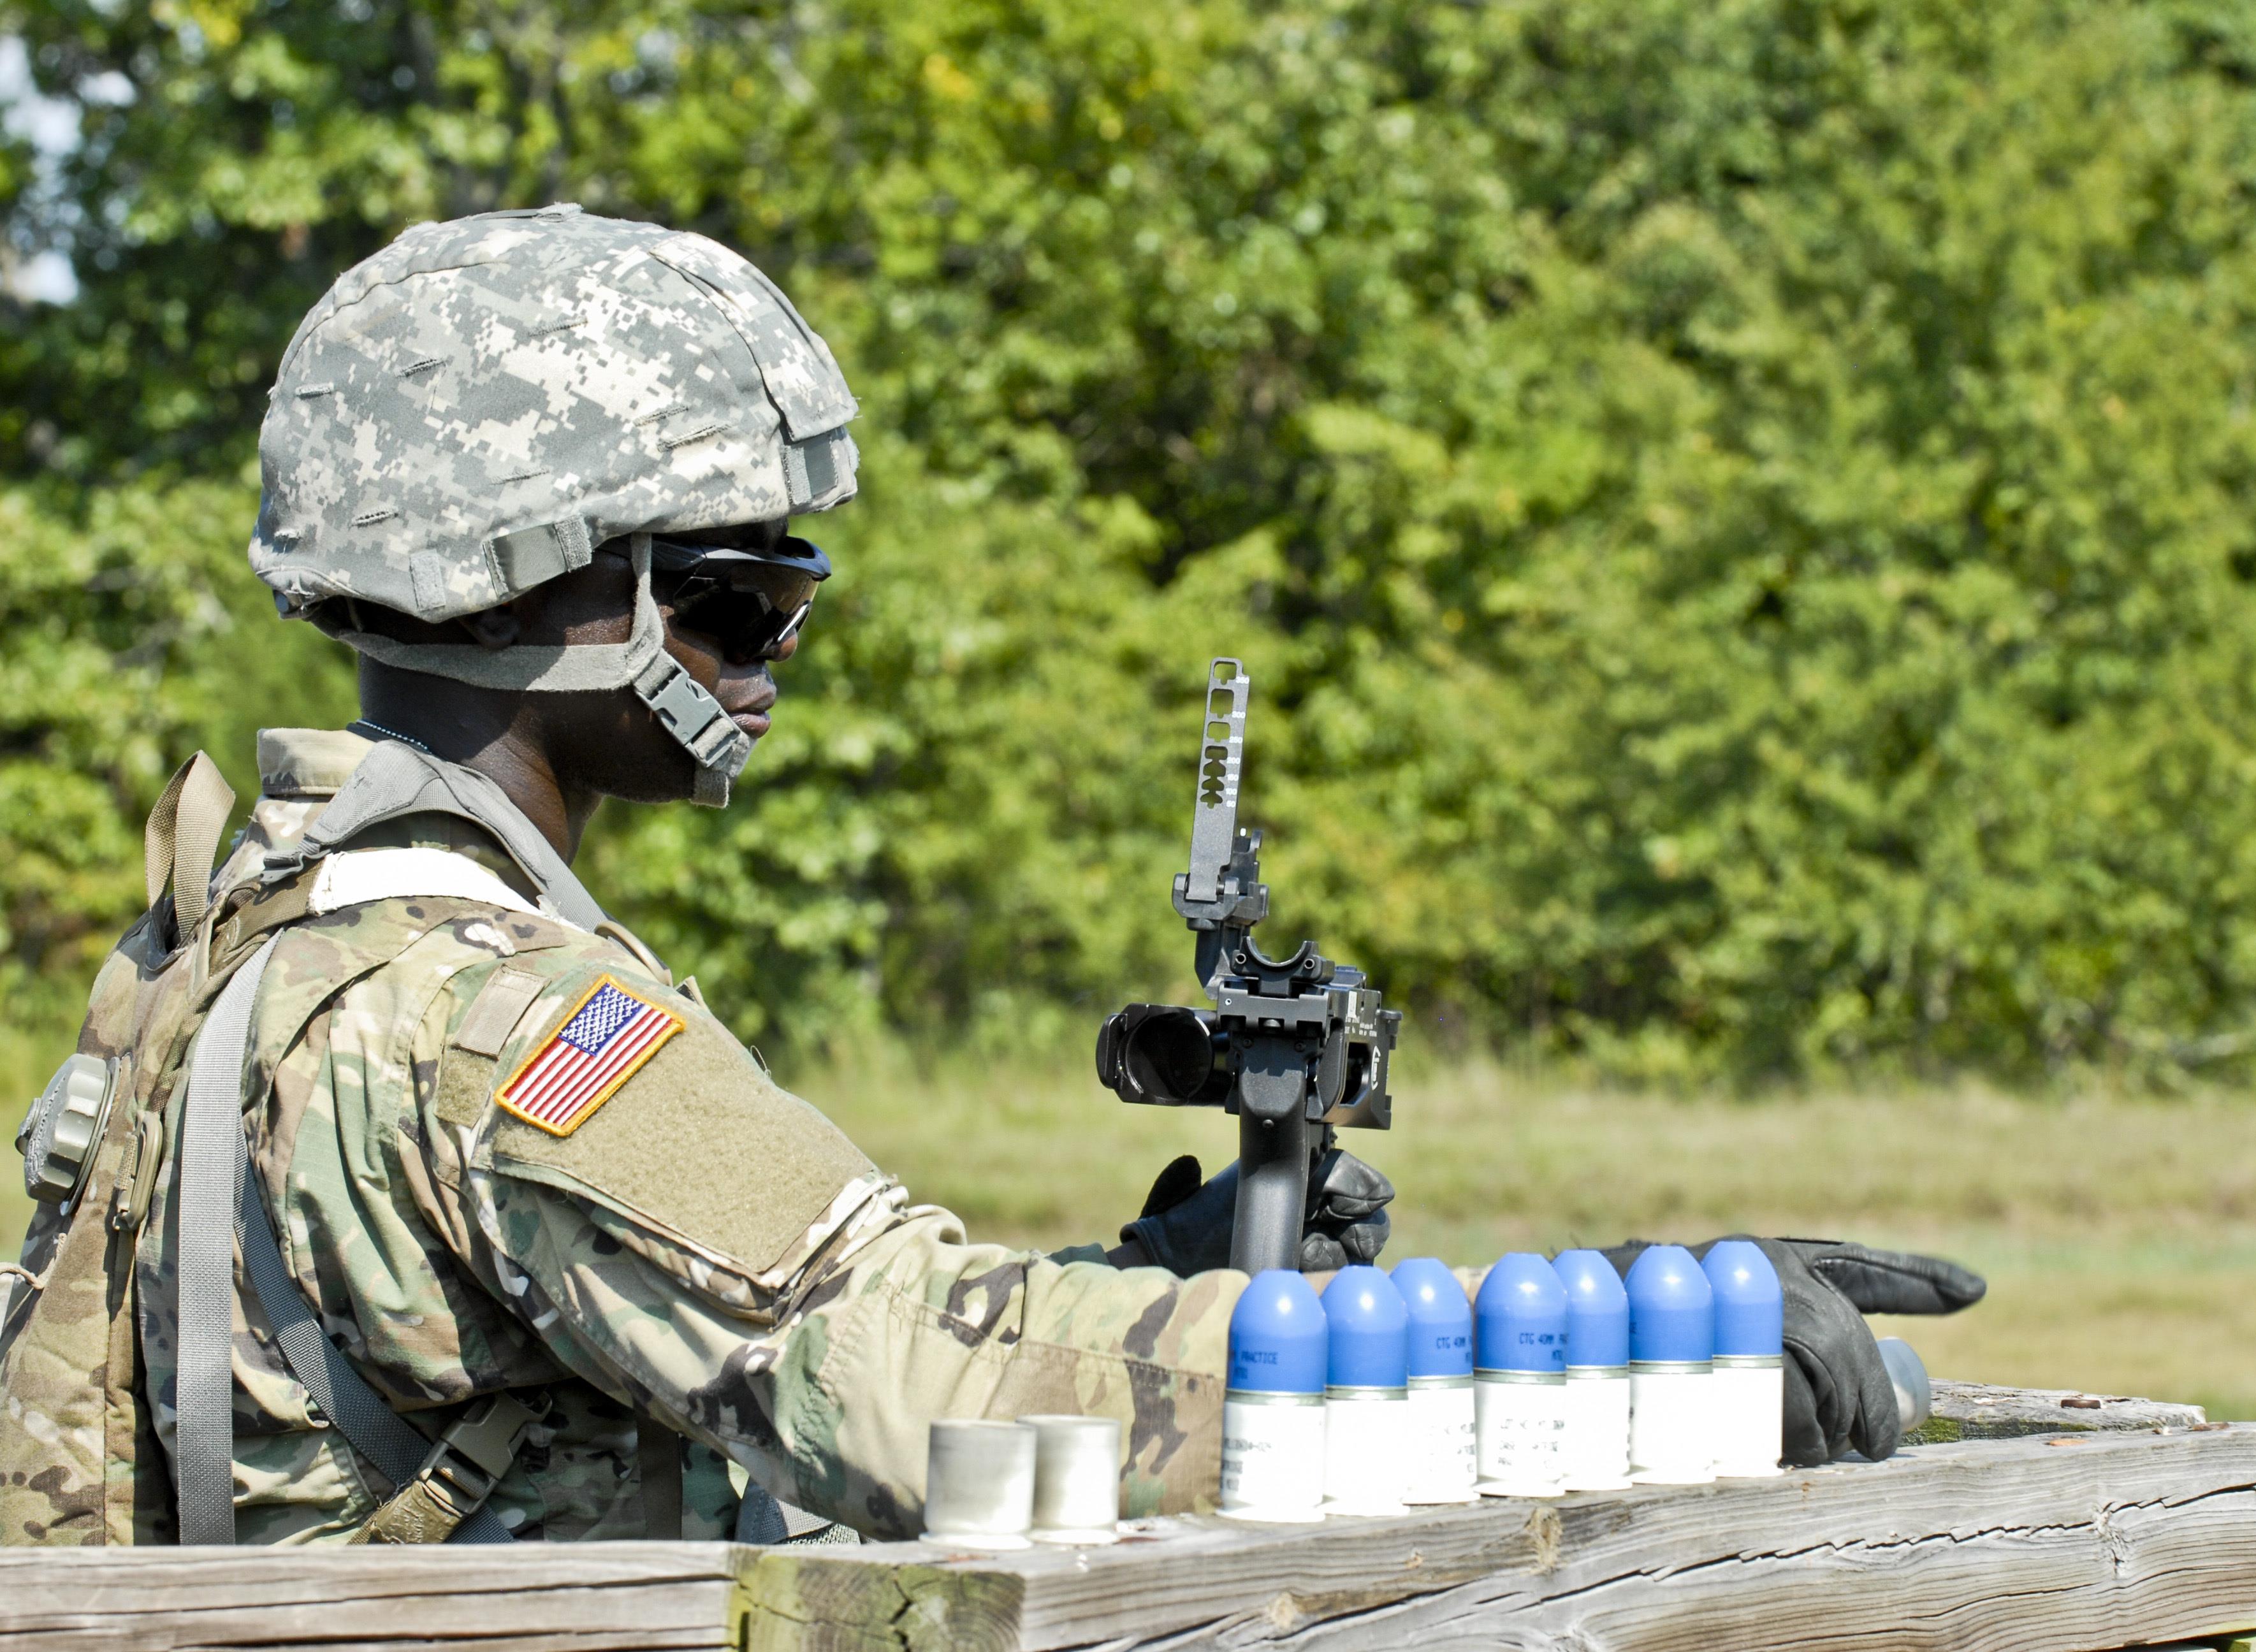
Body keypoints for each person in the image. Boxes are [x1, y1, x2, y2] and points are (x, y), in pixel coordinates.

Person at [0, 207, 1979, 1548]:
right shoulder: (511, 1025)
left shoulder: (247, 932)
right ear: (542, 594)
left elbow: (673, 1357)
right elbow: (911, 1393)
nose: (775, 660)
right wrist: (1636, 1352)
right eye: (739, 600)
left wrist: (1134, 1292)